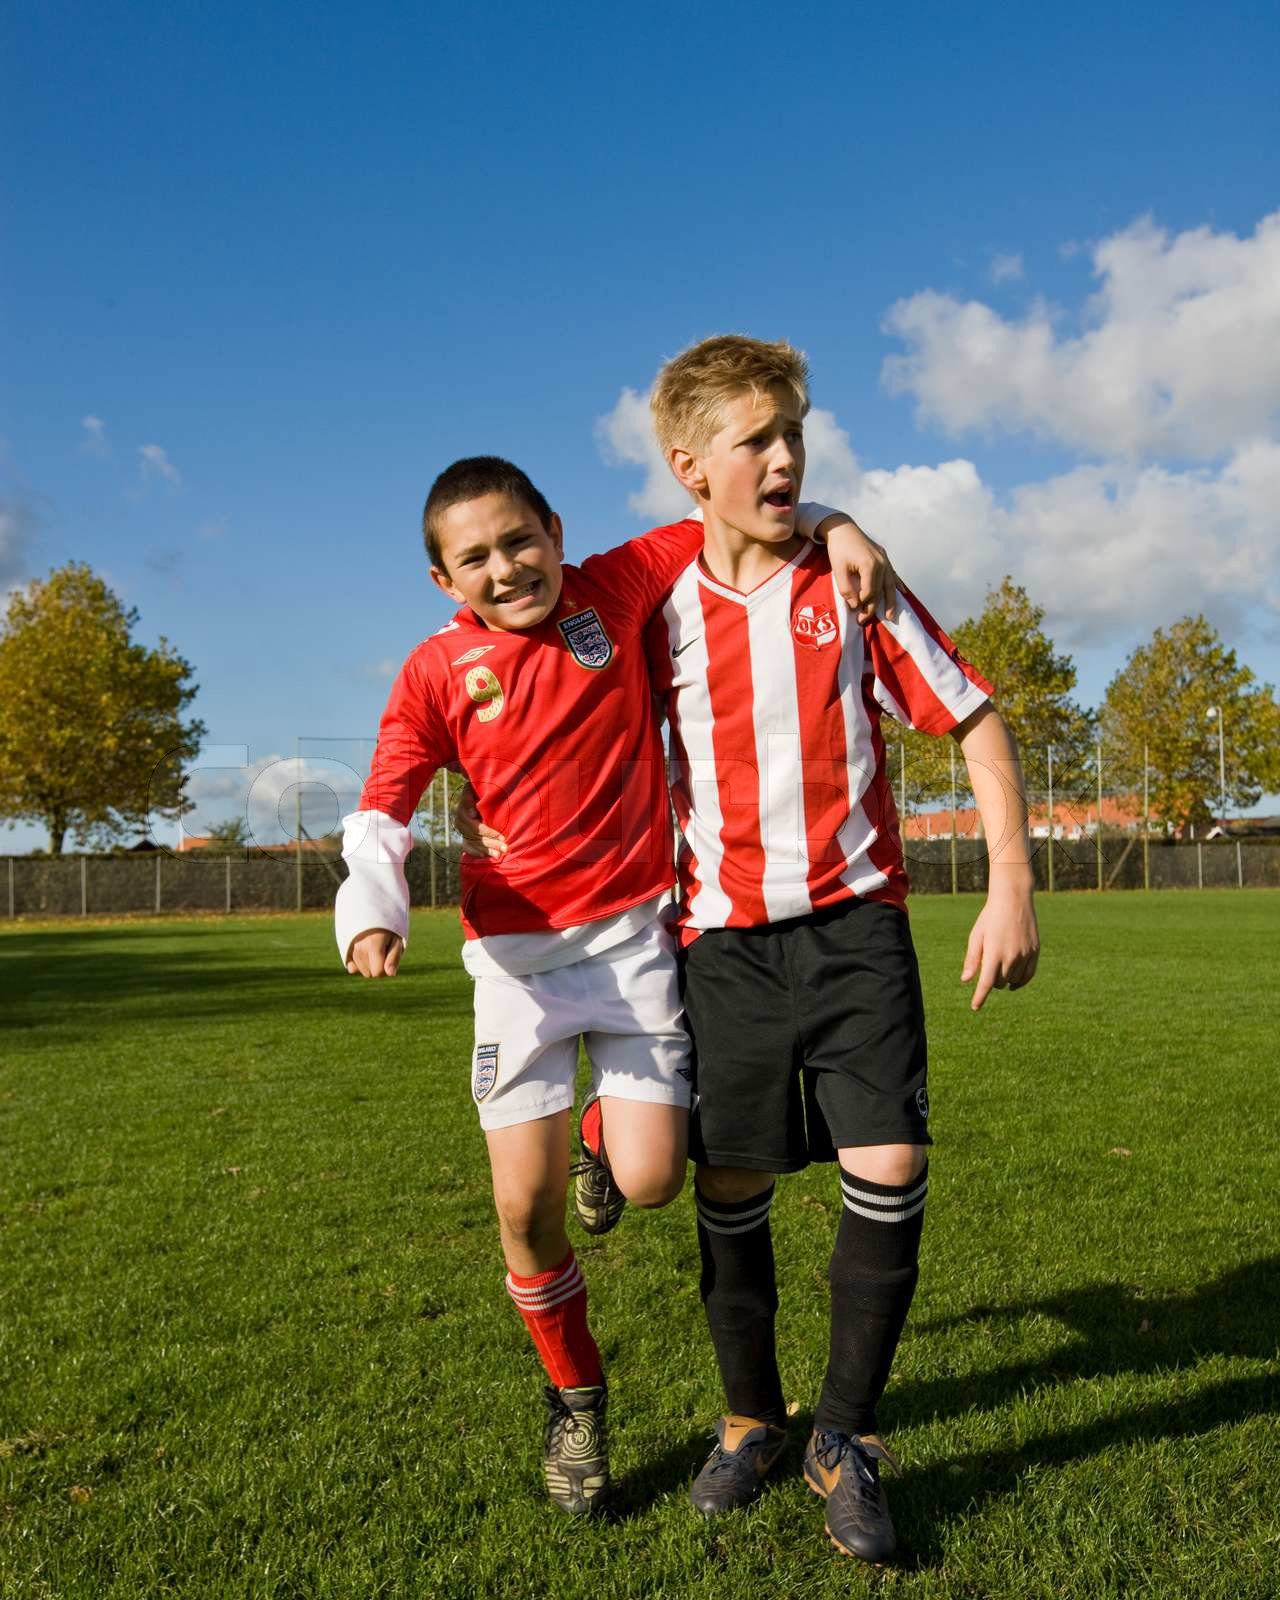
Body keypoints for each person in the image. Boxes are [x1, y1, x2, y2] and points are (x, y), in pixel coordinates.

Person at [335, 454, 894, 1516]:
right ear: (442, 581)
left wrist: (837, 522)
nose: (505, 569)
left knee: (650, 1182)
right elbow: (386, 796)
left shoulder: (615, 587)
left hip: (636, 945)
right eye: (475, 559)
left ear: (554, 527)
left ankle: (603, 1136)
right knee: (521, 1206)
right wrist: (372, 905)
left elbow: (730, 508)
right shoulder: (433, 672)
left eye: (518, 540)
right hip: (519, 970)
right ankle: (575, 1398)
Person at [644, 335, 1040, 1565]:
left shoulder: (850, 583)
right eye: (753, 439)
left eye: (793, 437)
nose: (782, 456)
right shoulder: (648, 609)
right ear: (687, 466)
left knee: (888, 1156)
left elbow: (973, 718)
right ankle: (751, 1419)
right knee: (730, 1187)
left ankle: (849, 1440)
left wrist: (1010, 884)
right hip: (721, 947)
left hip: (859, 930)